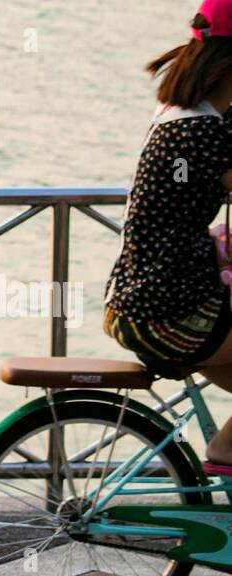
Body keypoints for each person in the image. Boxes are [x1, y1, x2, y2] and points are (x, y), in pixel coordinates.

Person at [105, 0, 232, 473]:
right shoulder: (203, 133)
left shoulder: (183, 114)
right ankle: (224, 453)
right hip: (170, 312)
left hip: (139, 299)